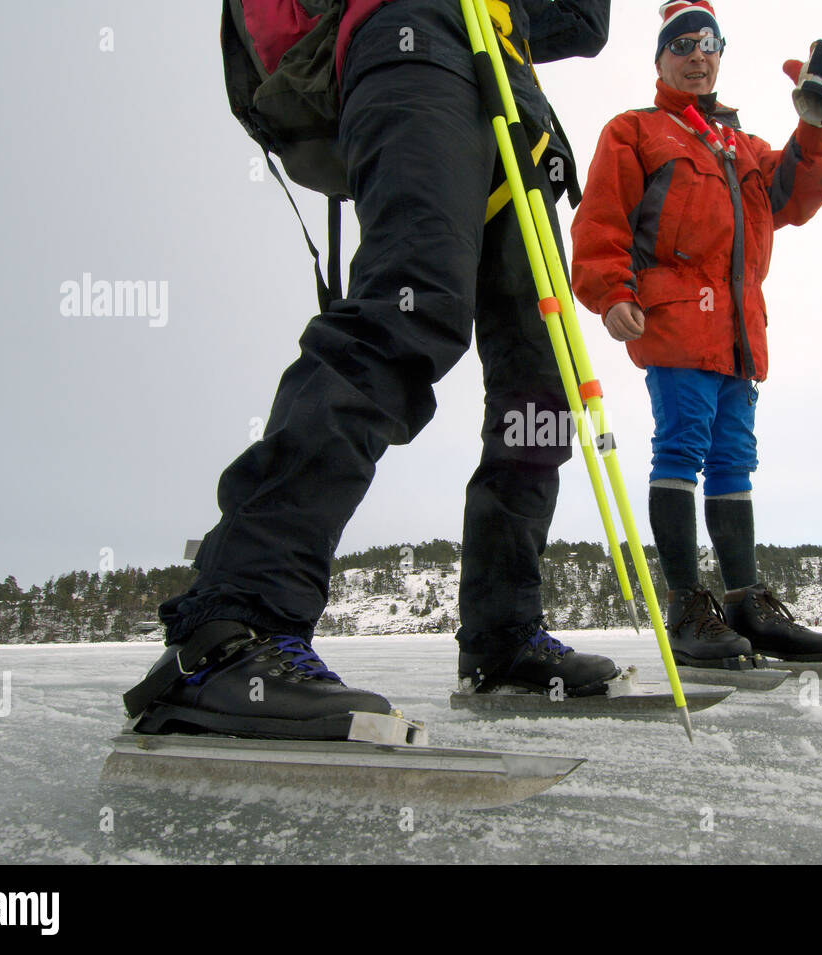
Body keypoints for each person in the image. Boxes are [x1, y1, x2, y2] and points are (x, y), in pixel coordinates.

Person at [123, 0, 623, 738]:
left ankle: (502, 635)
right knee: (411, 304)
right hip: (415, 41)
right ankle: (233, 626)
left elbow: (584, 22)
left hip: (515, 103)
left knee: (540, 390)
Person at [571, 1, 822, 665]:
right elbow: (601, 220)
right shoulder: (635, 131)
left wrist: (819, 119)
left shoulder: (744, 148)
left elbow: (797, 192)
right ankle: (685, 607)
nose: (697, 55)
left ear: (720, 54)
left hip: (739, 335)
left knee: (734, 459)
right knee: (681, 448)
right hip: (673, 322)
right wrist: (610, 292)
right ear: (661, 59)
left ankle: (746, 604)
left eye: (709, 43)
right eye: (681, 44)